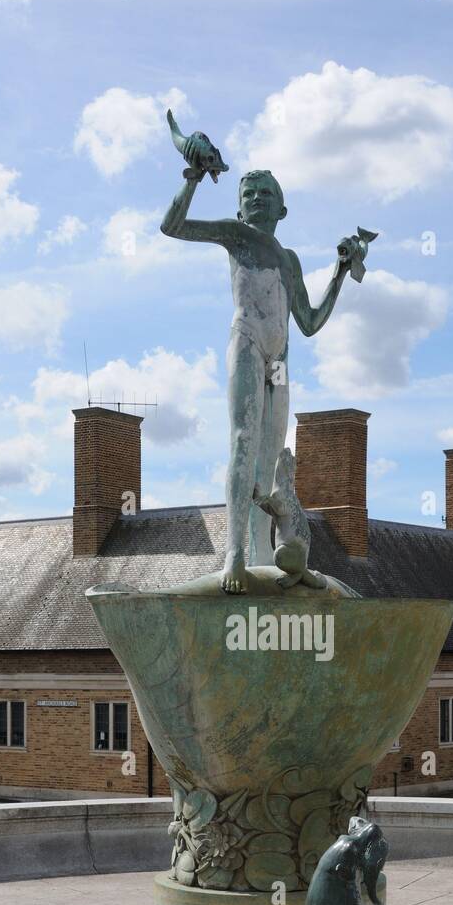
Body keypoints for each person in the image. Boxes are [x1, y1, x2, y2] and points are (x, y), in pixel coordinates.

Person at [160, 126, 359, 595]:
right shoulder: (237, 236)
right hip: (248, 340)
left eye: (266, 193)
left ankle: (264, 553)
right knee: (243, 441)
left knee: (271, 460)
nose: (257, 198)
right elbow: (173, 227)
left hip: (281, 355)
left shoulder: (288, 258)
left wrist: (341, 273)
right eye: (249, 192)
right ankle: (234, 552)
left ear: (283, 208)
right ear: (238, 206)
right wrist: (192, 177)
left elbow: (309, 321)